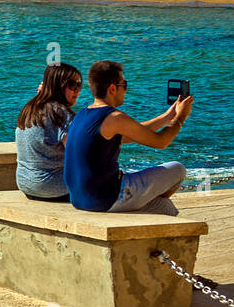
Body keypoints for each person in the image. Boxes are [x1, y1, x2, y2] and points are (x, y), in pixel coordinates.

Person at [64, 60, 191, 216]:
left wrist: (168, 116)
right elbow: (161, 141)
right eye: (124, 85)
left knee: (165, 208)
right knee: (178, 170)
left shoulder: (82, 115)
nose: (125, 90)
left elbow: (133, 133)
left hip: (80, 200)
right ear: (112, 89)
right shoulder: (115, 118)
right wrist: (181, 118)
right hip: (107, 198)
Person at [15, 64, 82, 200]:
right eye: (71, 85)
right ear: (58, 86)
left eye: (78, 85)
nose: (77, 90)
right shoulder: (61, 113)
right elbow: (78, 154)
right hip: (52, 187)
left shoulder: (30, 108)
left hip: (25, 184)